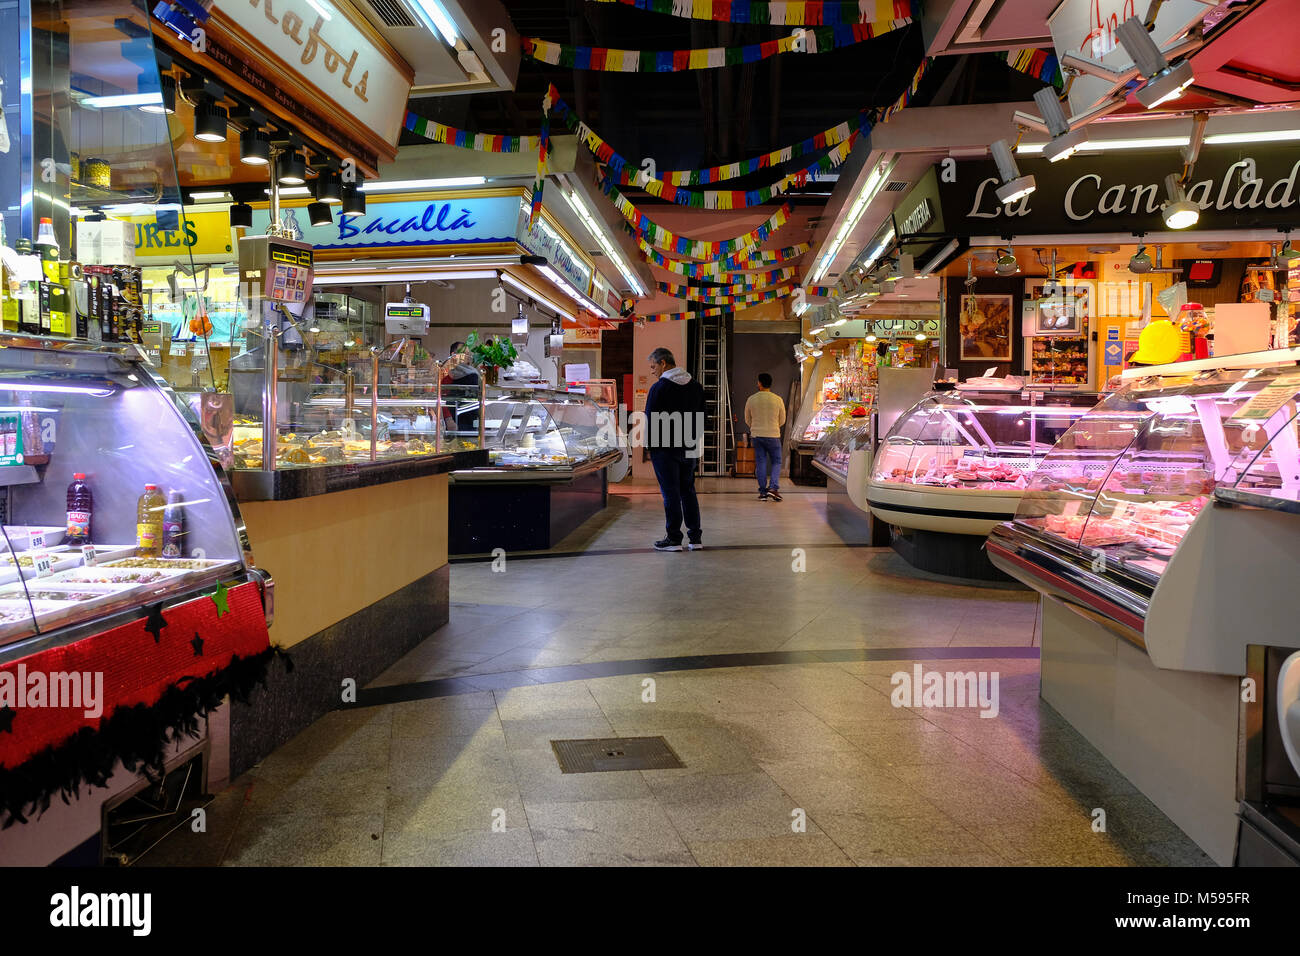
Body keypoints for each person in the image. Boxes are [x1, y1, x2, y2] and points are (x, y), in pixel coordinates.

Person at [644, 347, 705, 551]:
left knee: (670, 492)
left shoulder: (659, 388)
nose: (652, 371)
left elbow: (650, 420)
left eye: (653, 366)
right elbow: (702, 418)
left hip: (665, 449)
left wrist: (649, 448)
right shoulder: (696, 386)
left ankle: (674, 539)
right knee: (688, 491)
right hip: (689, 447)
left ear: (663, 363)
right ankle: (695, 538)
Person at [744, 371, 786, 501]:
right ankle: (773, 488)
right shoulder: (778, 399)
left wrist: (755, 427)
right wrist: (773, 427)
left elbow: (747, 419)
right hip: (773, 435)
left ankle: (763, 492)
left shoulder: (751, 399)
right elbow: (782, 420)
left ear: (760, 383)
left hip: (757, 435)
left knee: (761, 462)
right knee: (776, 461)